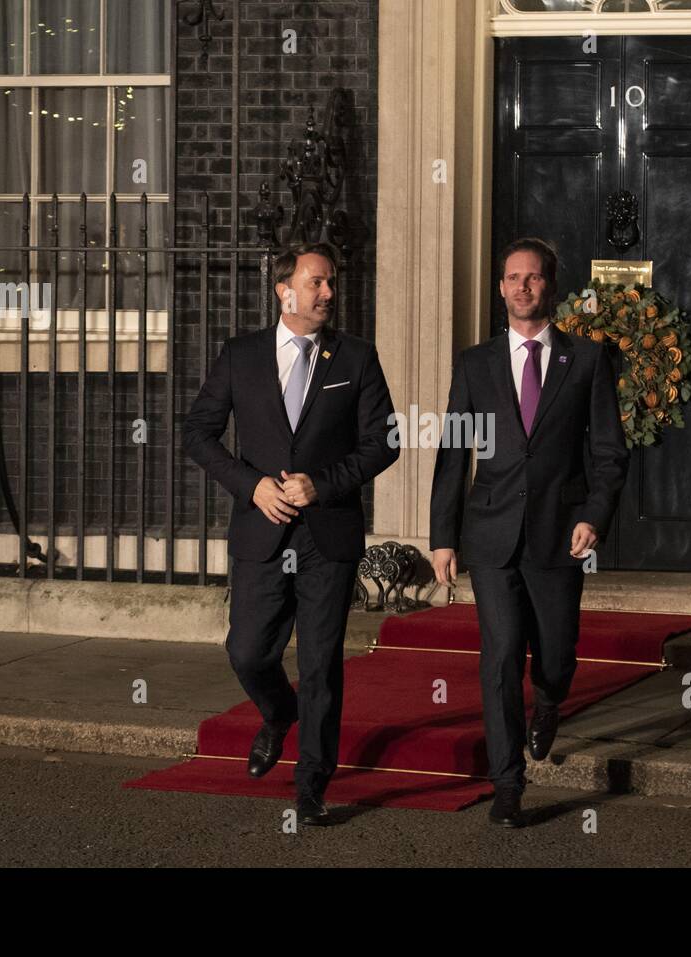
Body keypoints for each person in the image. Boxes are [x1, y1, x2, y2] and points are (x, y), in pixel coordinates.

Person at [183, 241, 399, 826]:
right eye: (317, 282)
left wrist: (322, 485)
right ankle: (278, 715)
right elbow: (198, 433)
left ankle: (311, 786)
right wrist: (251, 486)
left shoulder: (355, 358)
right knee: (248, 650)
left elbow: (384, 443)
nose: (328, 293)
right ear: (284, 290)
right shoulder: (241, 355)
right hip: (261, 529)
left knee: (323, 661)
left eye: (331, 282)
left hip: (327, 534)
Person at [429, 237, 629, 828]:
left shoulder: (587, 361)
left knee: (557, 654)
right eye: (513, 278)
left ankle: (549, 702)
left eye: (533, 277)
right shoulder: (475, 363)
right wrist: (443, 536)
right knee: (500, 657)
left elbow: (610, 454)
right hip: (490, 535)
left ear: (550, 285)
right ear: (501, 288)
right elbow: (452, 453)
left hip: (559, 535)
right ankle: (508, 784)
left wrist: (593, 515)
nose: (522, 287)